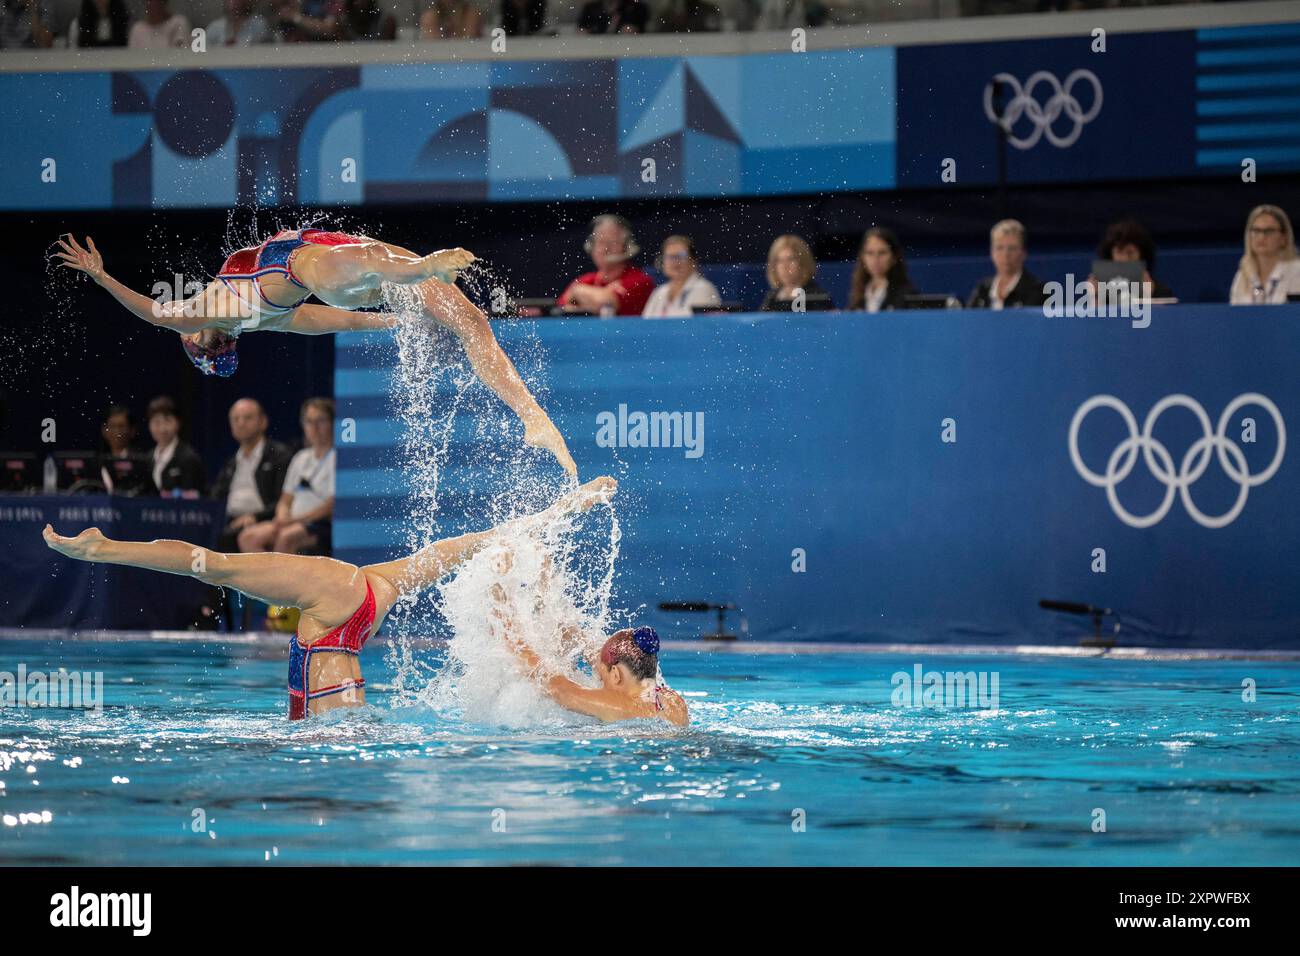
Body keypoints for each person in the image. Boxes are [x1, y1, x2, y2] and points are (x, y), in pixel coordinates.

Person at [42, 477, 623, 721]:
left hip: (343, 619)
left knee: (215, 567)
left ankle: (102, 548)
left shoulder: (328, 583)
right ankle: (561, 510)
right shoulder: (365, 583)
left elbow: (208, 563)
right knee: (467, 548)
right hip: (359, 613)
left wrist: (101, 549)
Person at [54, 233, 575, 475]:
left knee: (473, 323)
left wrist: (101, 276)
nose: (206, 336)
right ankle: (422, 270)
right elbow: (341, 320)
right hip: (324, 266)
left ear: (198, 344)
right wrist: (395, 319)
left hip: (353, 262)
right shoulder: (243, 314)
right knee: (368, 269)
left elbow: (151, 312)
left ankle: (531, 414)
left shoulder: (213, 315)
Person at [238, 397, 335, 557]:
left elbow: (331, 506)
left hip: (320, 523)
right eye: (309, 422)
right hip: (293, 521)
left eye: (321, 420)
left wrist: (295, 520)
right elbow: (285, 499)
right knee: (248, 537)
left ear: (332, 423)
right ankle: (269, 581)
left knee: (286, 537)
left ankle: (282, 582)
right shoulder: (300, 457)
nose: (315, 427)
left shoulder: (338, 458)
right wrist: (282, 517)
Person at [209, 398, 295, 552]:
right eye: (236, 419)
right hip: (229, 521)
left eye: (247, 417)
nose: (241, 423)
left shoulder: (280, 456)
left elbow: (283, 500)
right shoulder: (231, 462)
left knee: (229, 538)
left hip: (261, 520)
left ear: (263, 422)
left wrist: (256, 517)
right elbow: (216, 497)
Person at [558, 215, 656, 317]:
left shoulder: (640, 280)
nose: (605, 248)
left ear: (627, 247)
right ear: (591, 247)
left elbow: (606, 302)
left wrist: (577, 291)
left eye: (612, 242)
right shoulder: (586, 280)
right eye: (600, 242)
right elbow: (561, 309)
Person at [965, 219, 1047, 310]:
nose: (1005, 255)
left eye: (1012, 248)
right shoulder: (983, 290)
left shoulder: (1038, 291)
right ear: (992, 253)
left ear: (1023, 253)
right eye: (999, 248)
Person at [1229, 204, 1300, 305]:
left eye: (1269, 231)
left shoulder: (1296, 271)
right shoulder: (1243, 274)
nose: (1261, 237)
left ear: (1284, 237)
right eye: (1256, 231)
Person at [1091, 218, 1175, 299]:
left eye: (1130, 253)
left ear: (1142, 255)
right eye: (1119, 252)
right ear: (1110, 255)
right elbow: (1093, 313)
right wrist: (1094, 296)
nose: (1124, 259)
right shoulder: (1101, 291)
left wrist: (1150, 295)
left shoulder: (1162, 292)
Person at [642, 235, 721, 318]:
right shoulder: (659, 292)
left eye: (681, 256)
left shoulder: (704, 289)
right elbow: (645, 324)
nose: (675, 262)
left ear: (693, 261)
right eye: (670, 257)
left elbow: (702, 327)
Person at [146, 396, 206, 496]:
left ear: (178, 423)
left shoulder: (189, 458)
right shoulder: (147, 459)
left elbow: (195, 496)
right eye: (157, 422)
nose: (162, 428)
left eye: (167, 421)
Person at [846, 227, 914, 312]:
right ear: (863, 257)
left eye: (882, 253)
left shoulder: (907, 294)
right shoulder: (858, 293)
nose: (875, 259)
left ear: (894, 257)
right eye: (870, 253)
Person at [760, 234, 834, 311]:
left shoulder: (818, 297)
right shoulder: (771, 298)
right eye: (779, 261)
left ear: (803, 263)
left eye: (790, 259)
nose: (785, 266)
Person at [205, 0, 272, 45]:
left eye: (236, 1)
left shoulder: (259, 24)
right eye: (230, 1)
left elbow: (266, 50)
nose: (233, 4)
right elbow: (205, 53)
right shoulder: (215, 26)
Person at [576, 0, 647, 33]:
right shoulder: (591, 9)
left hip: (626, 47)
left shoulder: (636, 8)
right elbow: (581, 29)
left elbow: (642, 29)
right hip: (594, 47)